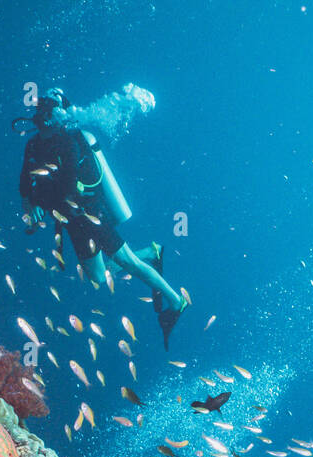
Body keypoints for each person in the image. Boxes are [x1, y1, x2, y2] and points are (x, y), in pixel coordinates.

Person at [17, 87, 188, 348]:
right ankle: (151, 252)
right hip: (71, 221)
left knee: (127, 262)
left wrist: (43, 206)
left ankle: (176, 301)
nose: (43, 112)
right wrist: (31, 209)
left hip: (90, 213)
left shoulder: (68, 141)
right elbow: (24, 185)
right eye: (41, 106)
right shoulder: (33, 144)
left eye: (49, 108)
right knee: (98, 277)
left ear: (60, 113)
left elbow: (68, 187)